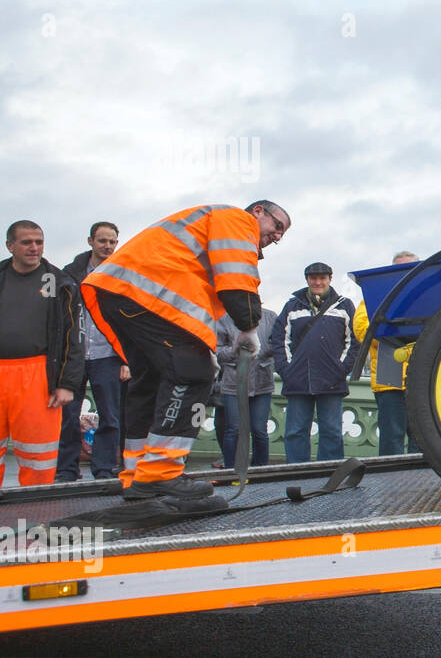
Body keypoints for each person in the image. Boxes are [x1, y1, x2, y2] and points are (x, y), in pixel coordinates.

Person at [81, 201, 290, 501]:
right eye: (277, 226)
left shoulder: (206, 224)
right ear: (258, 211)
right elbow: (237, 280)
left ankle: (137, 472)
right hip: (149, 296)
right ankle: (160, 473)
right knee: (193, 372)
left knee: (149, 382)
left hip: (123, 293)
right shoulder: (237, 221)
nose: (278, 236)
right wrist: (248, 326)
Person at [0, 221, 83, 485]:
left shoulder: (60, 283)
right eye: (26, 242)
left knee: (39, 456)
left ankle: (34, 517)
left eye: (39, 242)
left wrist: (67, 384)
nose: (34, 248)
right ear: (10, 245)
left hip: (38, 374)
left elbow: (74, 336)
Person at [56, 222, 131, 481]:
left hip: (108, 355)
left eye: (112, 241)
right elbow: (60, 318)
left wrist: (126, 360)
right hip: (75, 355)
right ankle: (66, 469)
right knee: (68, 416)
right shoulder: (70, 273)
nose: (107, 246)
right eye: (102, 241)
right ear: (90, 241)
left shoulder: (123, 275)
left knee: (110, 416)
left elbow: (128, 321)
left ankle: (105, 468)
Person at [272, 262, 360, 463]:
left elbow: (354, 341)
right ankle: (297, 471)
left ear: (330, 279)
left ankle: (329, 472)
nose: (318, 282)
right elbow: (279, 340)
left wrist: (342, 368)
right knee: (295, 431)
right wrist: (286, 370)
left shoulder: (344, 306)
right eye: (313, 278)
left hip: (332, 380)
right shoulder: (291, 306)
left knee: (332, 431)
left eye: (322, 278)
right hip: (298, 379)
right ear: (307, 280)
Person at [353, 251, 419, 455]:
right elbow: (361, 329)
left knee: (422, 438)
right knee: (392, 437)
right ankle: (392, 482)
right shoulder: (374, 296)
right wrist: (401, 333)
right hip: (388, 372)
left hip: (420, 375)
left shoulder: (423, 296)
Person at [215, 306, 279, 467]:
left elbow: (278, 345)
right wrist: (236, 351)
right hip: (233, 384)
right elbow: (217, 350)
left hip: (261, 383)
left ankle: (260, 470)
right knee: (233, 429)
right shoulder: (224, 319)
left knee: (259, 430)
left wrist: (259, 350)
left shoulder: (270, 317)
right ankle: (232, 470)